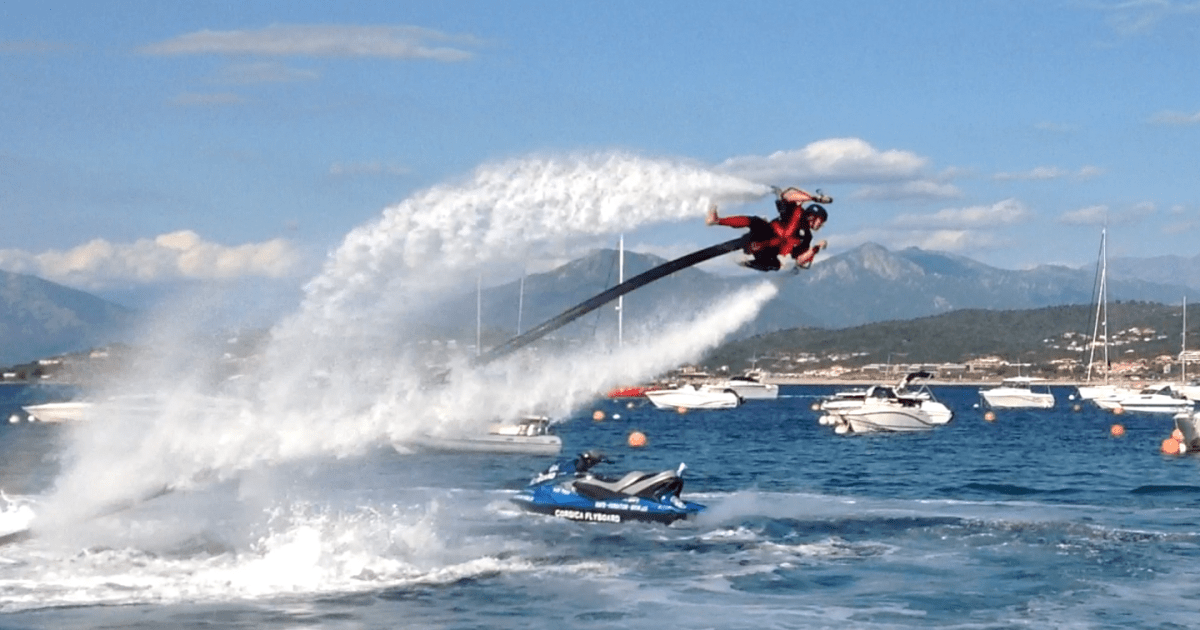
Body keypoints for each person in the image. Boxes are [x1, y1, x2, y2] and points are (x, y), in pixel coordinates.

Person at [706, 187, 830, 272]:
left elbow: (801, 261)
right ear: (814, 216)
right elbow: (788, 194)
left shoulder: (807, 238)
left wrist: (816, 248)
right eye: (821, 221)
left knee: (778, 266)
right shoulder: (796, 211)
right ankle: (716, 220)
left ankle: (745, 262)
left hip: (768, 253)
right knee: (756, 221)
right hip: (762, 235)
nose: (821, 225)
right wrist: (814, 198)